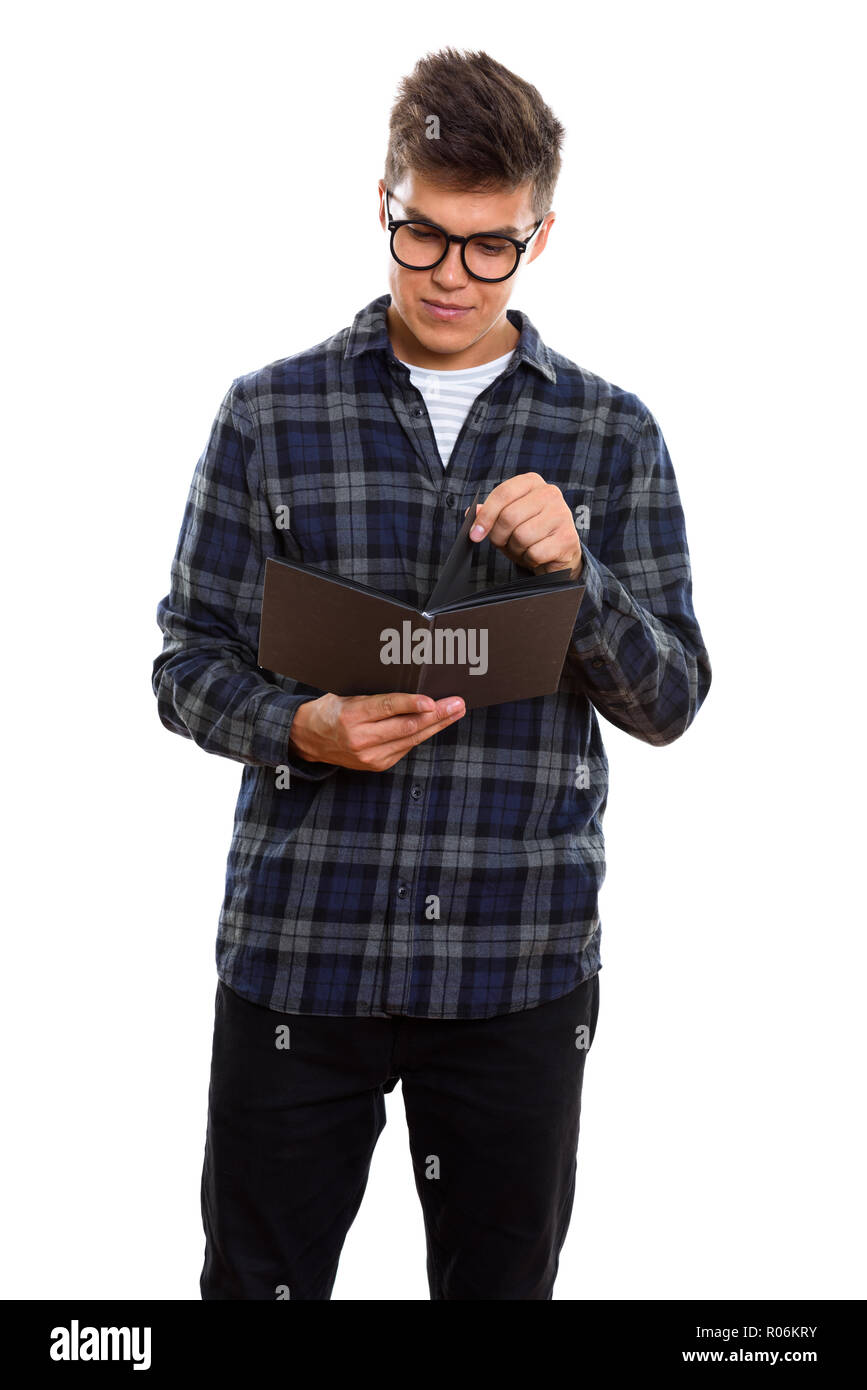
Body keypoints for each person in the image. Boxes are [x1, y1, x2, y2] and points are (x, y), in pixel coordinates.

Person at [152, 46, 712, 1301]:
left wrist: (581, 577)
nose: (451, 274)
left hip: (517, 963)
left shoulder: (611, 435)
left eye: (489, 245)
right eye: (424, 235)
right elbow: (183, 662)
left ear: (540, 236)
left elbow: (672, 699)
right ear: (386, 207)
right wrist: (305, 727)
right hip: (304, 952)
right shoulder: (269, 414)